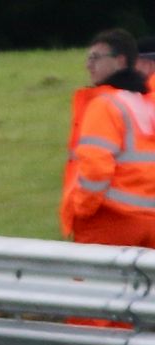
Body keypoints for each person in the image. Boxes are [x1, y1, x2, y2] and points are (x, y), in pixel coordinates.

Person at [61, 29, 152, 242]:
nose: (88, 65)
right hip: (149, 224)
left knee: (89, 277)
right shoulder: (145, 103)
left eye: (95, 57)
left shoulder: (105, 105)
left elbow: (95, 167)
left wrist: (81, 208)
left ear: (120, 61)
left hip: (109, 221)